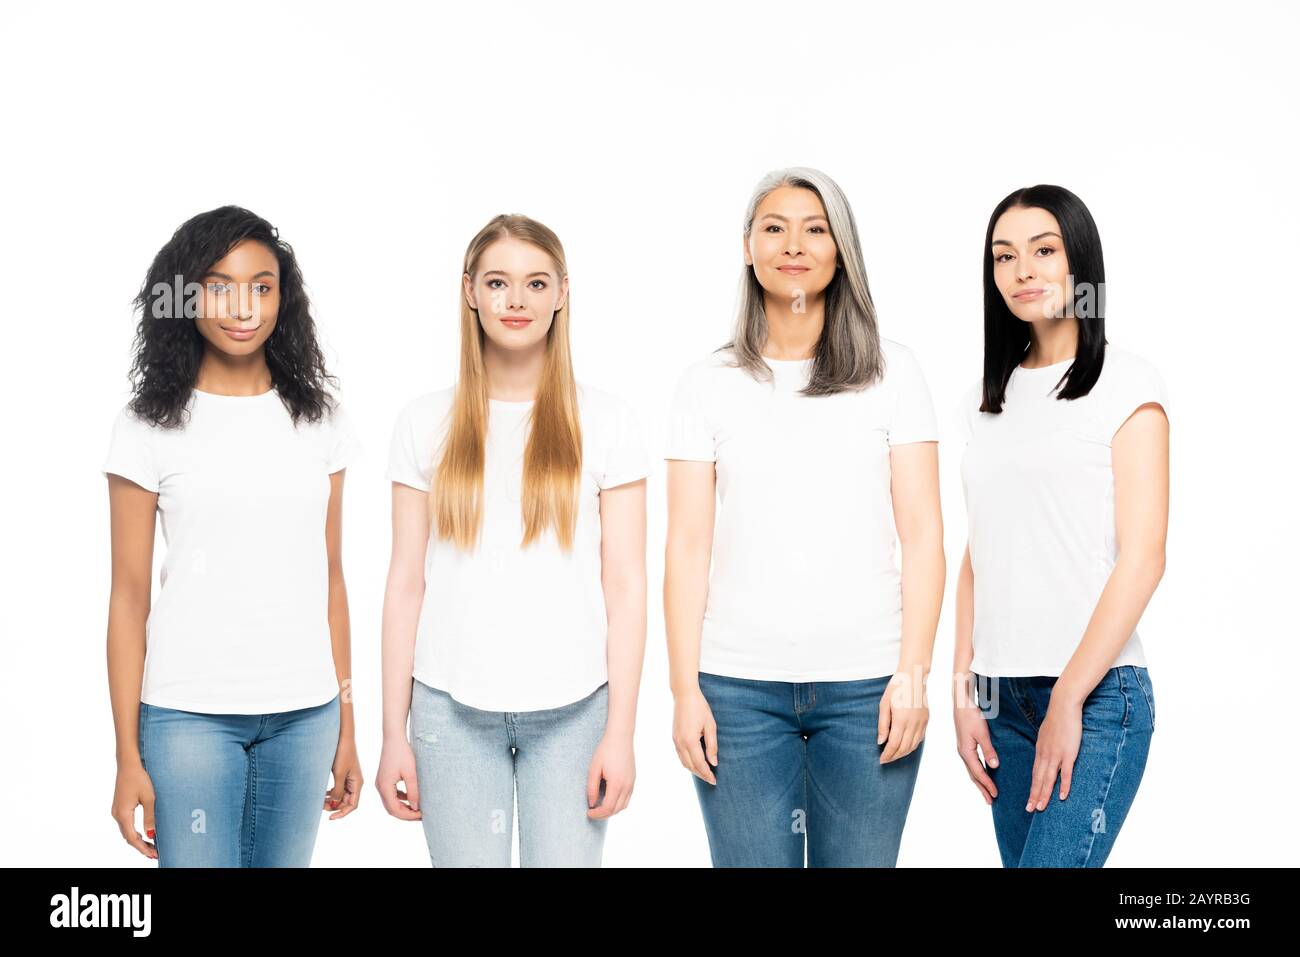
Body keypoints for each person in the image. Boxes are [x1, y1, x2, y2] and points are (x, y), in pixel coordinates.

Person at [664, 167, 944, 867]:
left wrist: (913, 673)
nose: (795, 244)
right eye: (775, 227)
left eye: (816, 229)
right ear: (748, 246)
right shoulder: (707, 384)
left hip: (868, 689)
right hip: (737, 691)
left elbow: (925, 537)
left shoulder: (894, 373)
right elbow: (686, 547)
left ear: (841, 248)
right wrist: (683, 689)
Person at [375, 214, 649, 867]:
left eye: (535, 283)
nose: (517, 300)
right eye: (498, 282)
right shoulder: (423, 422)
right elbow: (405, 583)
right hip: (449, 710)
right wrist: (392, 731)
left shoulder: (607, 422)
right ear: (469, 291)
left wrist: (621, 731)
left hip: (576, 710)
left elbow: (627, 585)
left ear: (562, 293)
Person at [104, 206, 363, 867]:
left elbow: (330, 577)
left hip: (306, 718)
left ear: (284, 297)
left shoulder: (318, 420)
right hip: (188, 717)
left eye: (262, 285)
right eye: (219, 284)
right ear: (186, 294)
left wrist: (348, 724)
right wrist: (127, 757)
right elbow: (129, 597)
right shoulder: (148, 427)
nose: (243, 305)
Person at [952, 184, 1168, 867]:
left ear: (1080, 261)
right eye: (1004, 255)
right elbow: (976, 555)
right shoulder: (986, 400)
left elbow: (1145, 558)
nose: (1023, 270)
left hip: (1098, 695)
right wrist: (964, 692)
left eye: (1044, 250)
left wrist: (1069, 696)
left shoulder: (1127, 386)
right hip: (1002, 701)